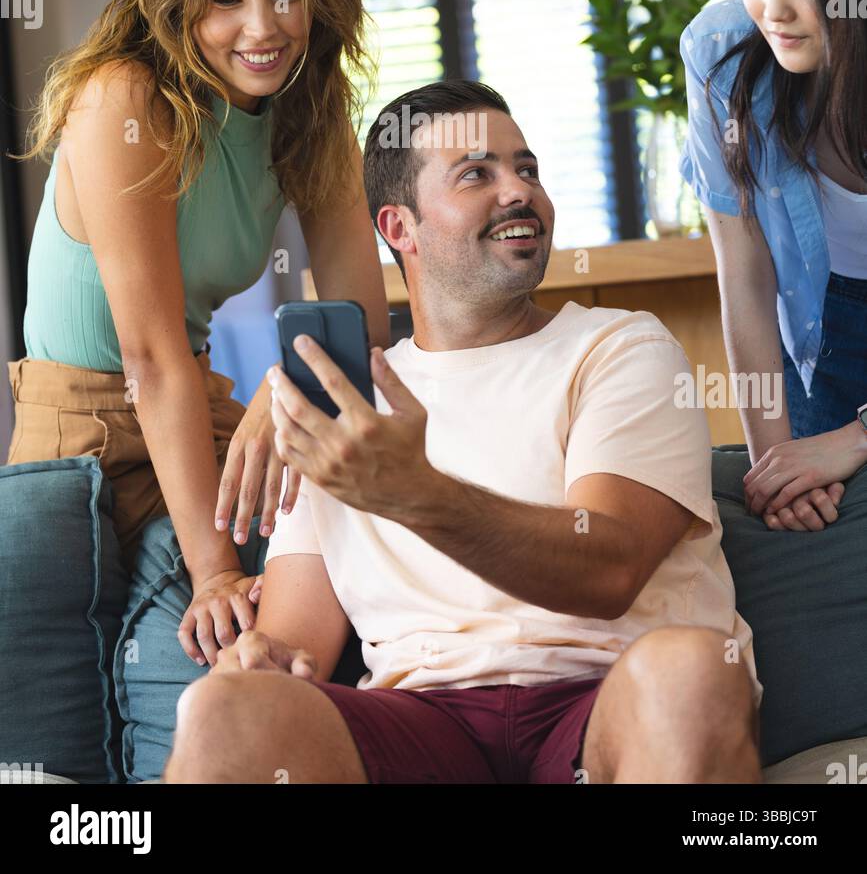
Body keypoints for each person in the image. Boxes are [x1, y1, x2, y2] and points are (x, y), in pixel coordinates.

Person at [163, 80, 763, 785]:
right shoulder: (340, 403)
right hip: (424, 722)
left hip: (605, 701)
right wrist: (260, 660)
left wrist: (417, 494)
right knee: (223, 710)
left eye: (528, 170)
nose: (519, 192)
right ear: (399, 229)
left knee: (689, 670)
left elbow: (608, 568)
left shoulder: (618, 348)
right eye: (477, 173)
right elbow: (296, 643)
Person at [6, 0, 389, 666]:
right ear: (176, 1)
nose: (264, 27)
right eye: (226, 1)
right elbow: (147, 358)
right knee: (198, 626)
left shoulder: (311, 111)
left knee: (355, 567)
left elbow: (363, 324)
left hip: (197, 403)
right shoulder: (122, 98)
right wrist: (212, 571)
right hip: (84, 433)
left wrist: (280, 390)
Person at [678, 0, 867, 535]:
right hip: (818, 338)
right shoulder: (722, 54)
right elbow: (745, 279)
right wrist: (774, 462)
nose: (772, 10)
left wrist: (854, 440)